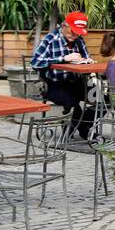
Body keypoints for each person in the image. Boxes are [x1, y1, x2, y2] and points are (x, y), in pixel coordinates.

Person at [31, 10, 95, 142]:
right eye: (73, 31)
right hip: (53, 84)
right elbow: (35, 63)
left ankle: (81, 124)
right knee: (72, 102)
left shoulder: (79, 41)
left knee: (102, 99)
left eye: (78, 32)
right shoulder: (50, 39)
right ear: (64, 26)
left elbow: (86, 58)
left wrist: (87, 62)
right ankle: (83, 129)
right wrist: (63, 58)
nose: (75, 34)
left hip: (76, 82)